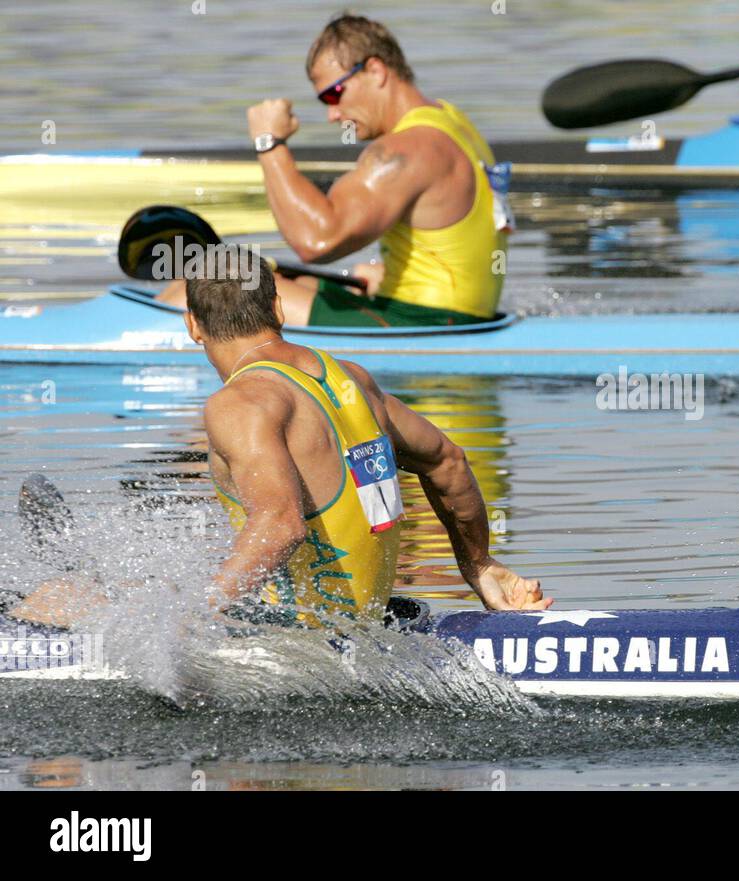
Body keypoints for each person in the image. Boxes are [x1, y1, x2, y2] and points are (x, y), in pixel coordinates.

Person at [15, 251, 548, 629]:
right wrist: (479, 564)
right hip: (366, 622)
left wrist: (193, 621)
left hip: (305, 641)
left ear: (192, 327)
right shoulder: (353, 380)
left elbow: (281, 524)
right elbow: (448, 461)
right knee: (142, 588)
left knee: (52, 603)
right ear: (276, 311)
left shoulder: (240, 403)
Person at [158, 14, 512, 329]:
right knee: (271, 276)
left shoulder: (406, 150)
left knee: (210, 289)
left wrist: (270, 143)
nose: (332, 114)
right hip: (454, 311)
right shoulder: (451, 120)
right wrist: (388, 273)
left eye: (335, 93)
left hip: (425, 321)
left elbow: (315, 242)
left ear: (375, 70)